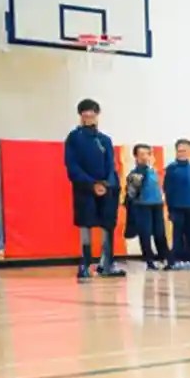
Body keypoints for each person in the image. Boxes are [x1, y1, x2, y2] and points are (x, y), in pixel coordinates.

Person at [64, 98, 123, 281]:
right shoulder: (74, 138)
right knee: (86, 224)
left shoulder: (105, 140)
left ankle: (106, 264)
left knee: (107, 225)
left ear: (97, 115)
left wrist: (106, 184)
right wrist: (91, 184)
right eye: (85, 112)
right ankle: (85, 264)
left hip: (106, 189)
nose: (89, 115)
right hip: (84, 189)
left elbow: (110, 165)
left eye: (92, 112)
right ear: (81, 115)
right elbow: (72, 165)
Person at [124, 144, 169, 270]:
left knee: (160, 233)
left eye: (147, 154)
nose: (144, 157)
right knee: (145, 233)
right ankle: (149, 260)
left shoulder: (153, 171)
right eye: (141, 154)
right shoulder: (134, 174)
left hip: (157, 205)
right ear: (136, 157)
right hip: (142, 206)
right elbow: (131, 194)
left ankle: (163, 258)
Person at [164, 139, 190, 269]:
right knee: (178, 233)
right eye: (179, 151)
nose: (182, 153)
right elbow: (167, 188)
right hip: (177, 206)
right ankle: (177, 259)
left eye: (185, 150)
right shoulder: (171, 168)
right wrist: (170, 207)